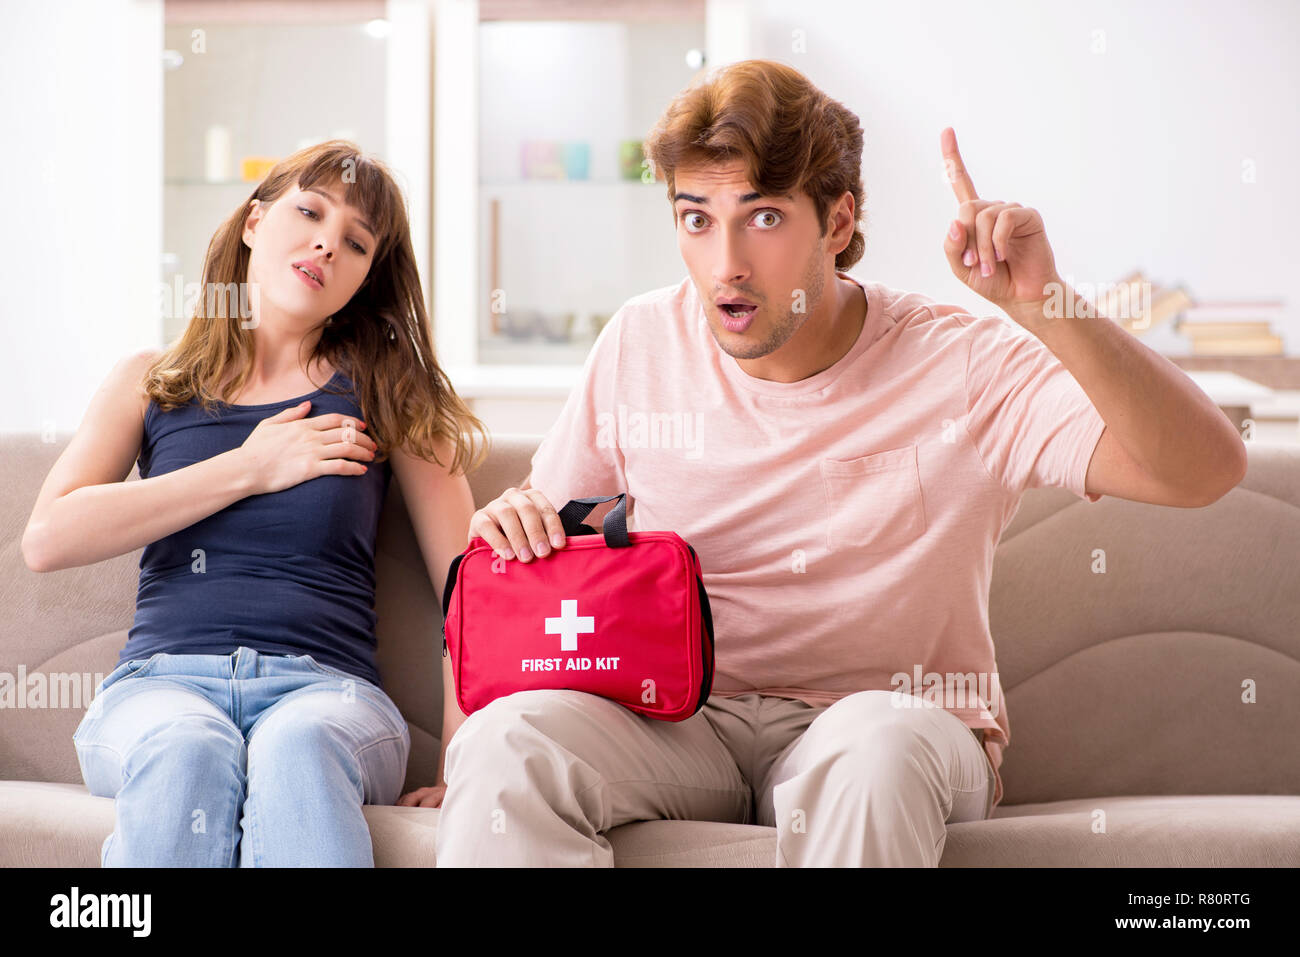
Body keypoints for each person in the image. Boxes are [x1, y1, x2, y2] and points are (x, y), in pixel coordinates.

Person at [400, 60, 1246, 866]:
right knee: (508, 741)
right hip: (681, 719)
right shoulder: (641, 343)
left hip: (892, 722)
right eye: (697, 219)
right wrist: (513, 519)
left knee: (872, 745)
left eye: (762, 217)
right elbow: (541, 538)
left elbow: (1204, 470)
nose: (725, 262)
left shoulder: (961, 360)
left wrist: (1047, 305)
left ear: (838, 223)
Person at [23, 140, 486, 866]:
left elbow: (474, 589)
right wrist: (248, 467)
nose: (328, 241)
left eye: (357, 242)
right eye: (309, 211)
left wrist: (462, 758)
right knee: (187, 746)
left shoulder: (392, 394)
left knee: (297, 744)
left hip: (327, 693)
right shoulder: (151, 381)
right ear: (253, 221)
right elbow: (47, 537)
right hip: (161, 687)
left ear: (365, 278)